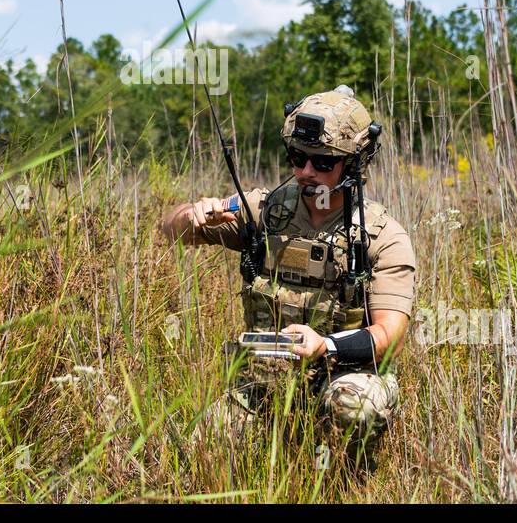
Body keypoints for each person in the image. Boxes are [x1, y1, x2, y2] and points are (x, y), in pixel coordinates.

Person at [160, 86, 416, 453]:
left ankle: (343, 478)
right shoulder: (264, 210)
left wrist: (325, 346)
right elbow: (171, 231)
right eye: (298, 158)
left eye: (323, 163)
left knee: (354, 409)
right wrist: (193, 214)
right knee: (202, 444)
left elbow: (390, 335)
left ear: (355, 163)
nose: (306, 172)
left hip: (342, 376)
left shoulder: (382, 236)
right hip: (265, 378)